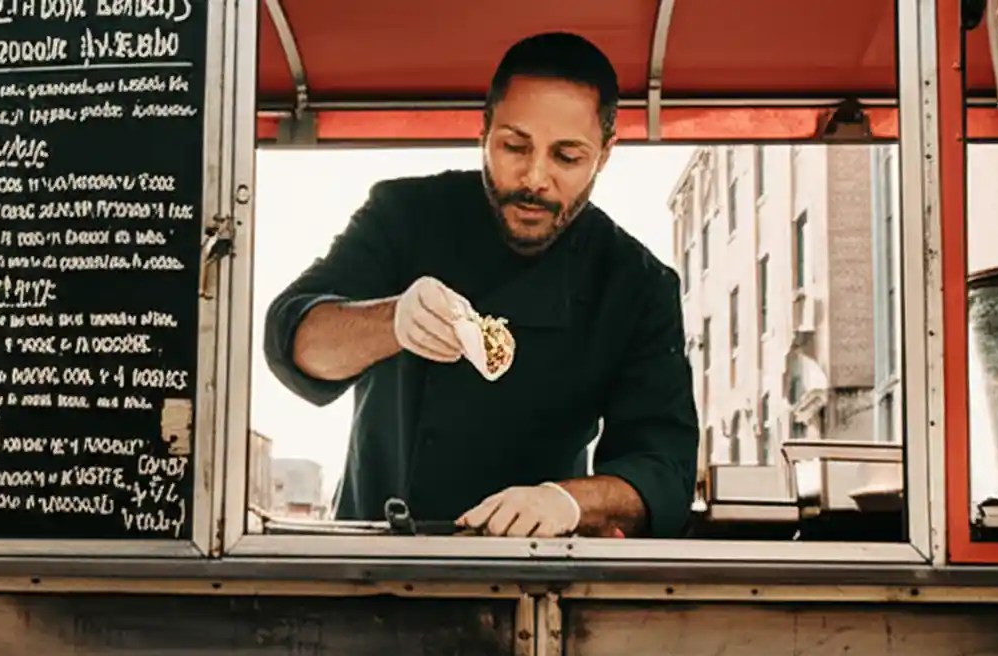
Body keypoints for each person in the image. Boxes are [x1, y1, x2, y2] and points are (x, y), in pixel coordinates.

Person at [263, 32, 699, 539]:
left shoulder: (637, 284)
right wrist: (394, 322)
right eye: (514, 146)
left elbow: (664, 470)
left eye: (567, 156)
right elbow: (294, 341)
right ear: (483, 133)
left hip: (534, 580)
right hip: (375, 562)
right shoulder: (403, 217)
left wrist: (569, 501)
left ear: (604, 154)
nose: (534, 177)